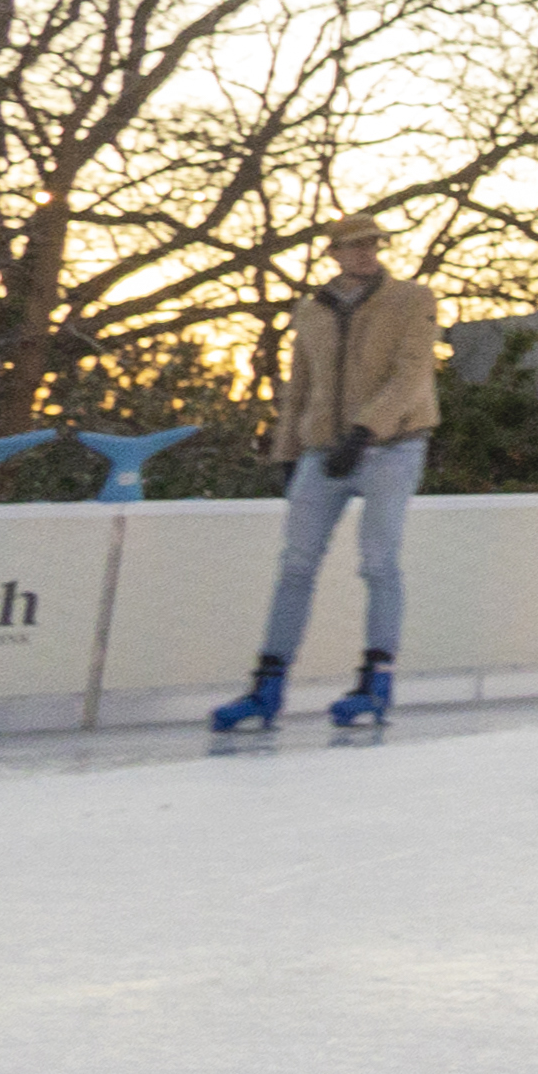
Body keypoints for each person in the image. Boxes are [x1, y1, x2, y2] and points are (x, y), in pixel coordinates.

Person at [218, 217, 439, 738]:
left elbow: (412, 373)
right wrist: (288, 451)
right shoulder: (311, 309)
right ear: (333, 252)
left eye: (372, 245)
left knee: (379, 560)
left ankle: (376, 679)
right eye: (354, 246)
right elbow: (301, 383)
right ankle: (267, 685)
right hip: (322, 451)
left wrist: (363, 432)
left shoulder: (411, 299)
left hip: (391, 445)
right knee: (295, 563)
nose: (365, 254)